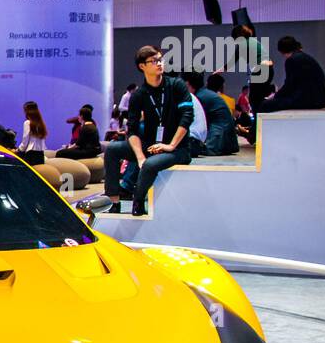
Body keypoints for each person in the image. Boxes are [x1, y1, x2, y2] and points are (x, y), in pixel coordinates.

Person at [102, 46, 194, 216]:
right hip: (150, 146)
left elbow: (187, 117)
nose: (159, 63)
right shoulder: (139, 95)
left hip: (178, 149)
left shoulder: (177, 86)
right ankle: (113, 201)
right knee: (113, 149)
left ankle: (138, 200)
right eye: (154, 61)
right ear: (142, 66)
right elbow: (133, 129)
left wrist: (171, 145)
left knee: (151, 164)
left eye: (160, 59)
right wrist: (139, 156)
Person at [260, 36, 325, 112]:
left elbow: (289, 85)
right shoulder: (305, 57)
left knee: (266, 105)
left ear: (282, 51)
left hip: (308, 100)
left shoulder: (292, 60)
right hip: (321, 99)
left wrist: (275, 95)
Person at [185, 71, 239, 156]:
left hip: (218, 141)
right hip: (225, 139)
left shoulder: (199, 97)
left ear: (187, 83)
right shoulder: (204, 94)